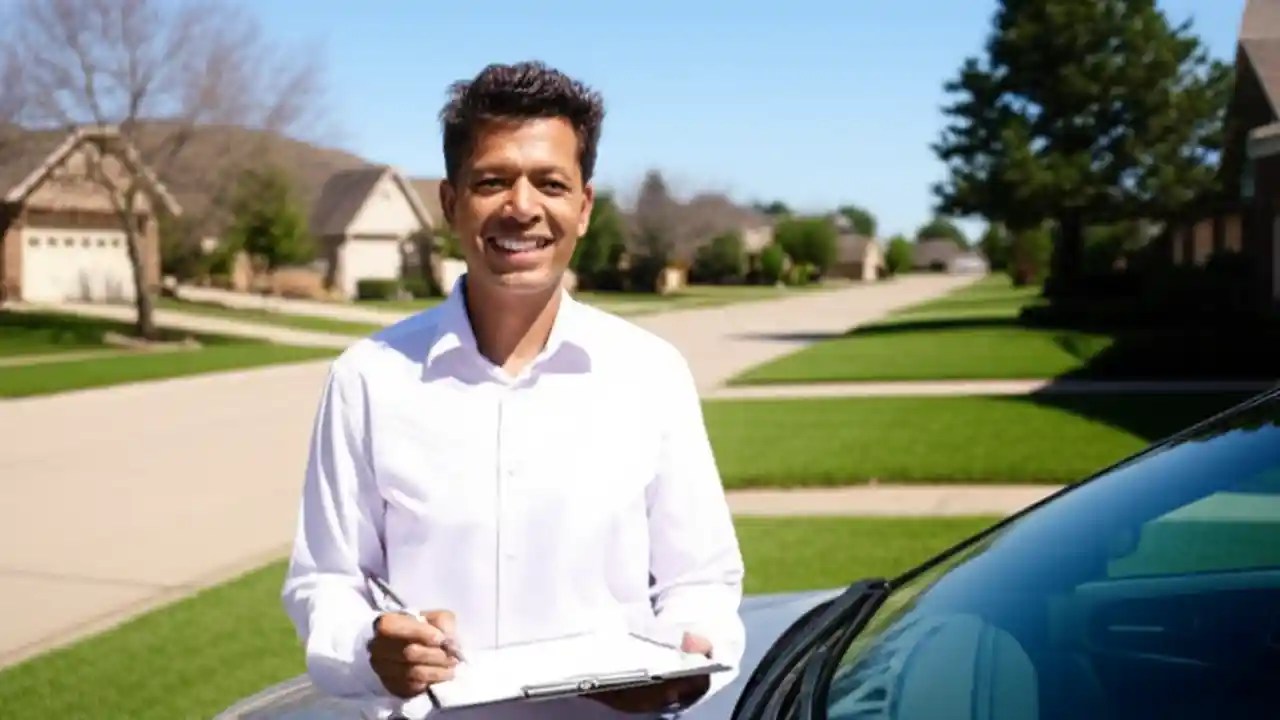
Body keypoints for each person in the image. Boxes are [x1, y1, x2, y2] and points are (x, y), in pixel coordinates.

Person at [281, 60, 745, 719]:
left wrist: (684, 664)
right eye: (492, 180)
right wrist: (368, 647)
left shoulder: (650, 373)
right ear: (450, 204)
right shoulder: (369, 378)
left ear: (583, 208)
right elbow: (324, 583)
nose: (521, 207)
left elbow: (701, 582)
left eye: (550, 183)